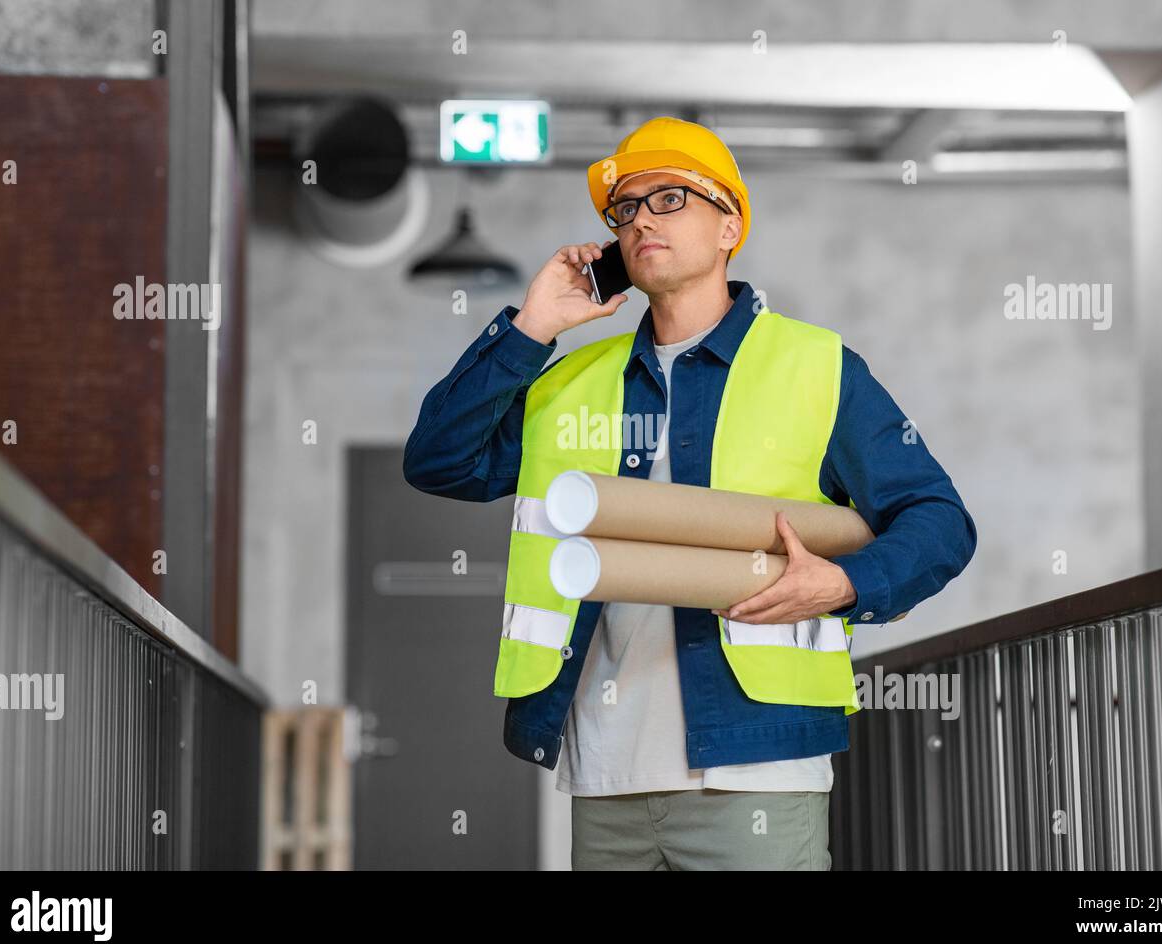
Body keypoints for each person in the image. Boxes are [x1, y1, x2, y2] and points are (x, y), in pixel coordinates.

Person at [404, 116, 977, 870]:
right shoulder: (572, 380)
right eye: (626, 208)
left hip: (756, 773)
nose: (641, 217)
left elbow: (940, 521)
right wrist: (533, 324)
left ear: (729, 224)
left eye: (670, 198)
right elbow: (440, 459)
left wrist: (842, 583)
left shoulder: (815, 366)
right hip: (603, 776)